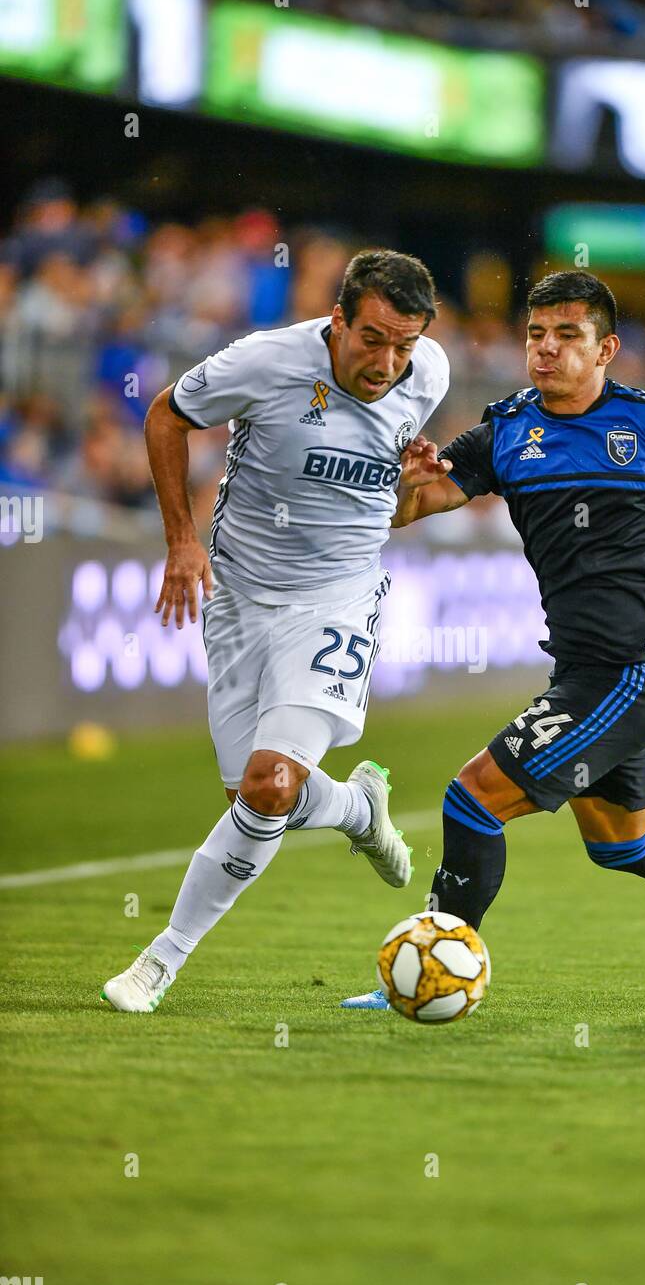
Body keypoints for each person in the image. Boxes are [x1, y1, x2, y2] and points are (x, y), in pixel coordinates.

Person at [341, 270, 645, 1014]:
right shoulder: (506, 432)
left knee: (471, 801)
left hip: (632, 674)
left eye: (567, 335)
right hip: (582, 674)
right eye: (536, 334)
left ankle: (434, 970)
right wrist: (402, 484)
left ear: (606, 350)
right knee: (624, 843)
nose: (546, 350)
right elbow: (414, 507)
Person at [102, 249, 451, 1012]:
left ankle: (159, 962)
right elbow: (166, 413)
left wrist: (410, 481)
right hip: (238, 595)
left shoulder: (431, 374)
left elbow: (375, 491)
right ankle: (357, 809)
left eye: (406, 344)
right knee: (257, 800)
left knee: (269, 783)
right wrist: (181, 541)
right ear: (338, 320)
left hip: (337, 599)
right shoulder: (265, 362)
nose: (389, 362)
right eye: (373, 339)